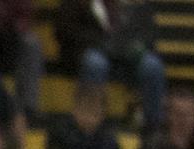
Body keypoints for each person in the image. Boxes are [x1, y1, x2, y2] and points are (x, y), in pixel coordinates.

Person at [56, 0, 164, 131]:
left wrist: (134, 46)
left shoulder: (135, 4)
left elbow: (148, 31)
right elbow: (65, 31)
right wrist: (102, 44)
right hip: (92, 50)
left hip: (126, 54)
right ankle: (92, 124)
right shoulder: (77, 3)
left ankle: (153, 126)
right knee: (95, 63)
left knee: (152, 65)